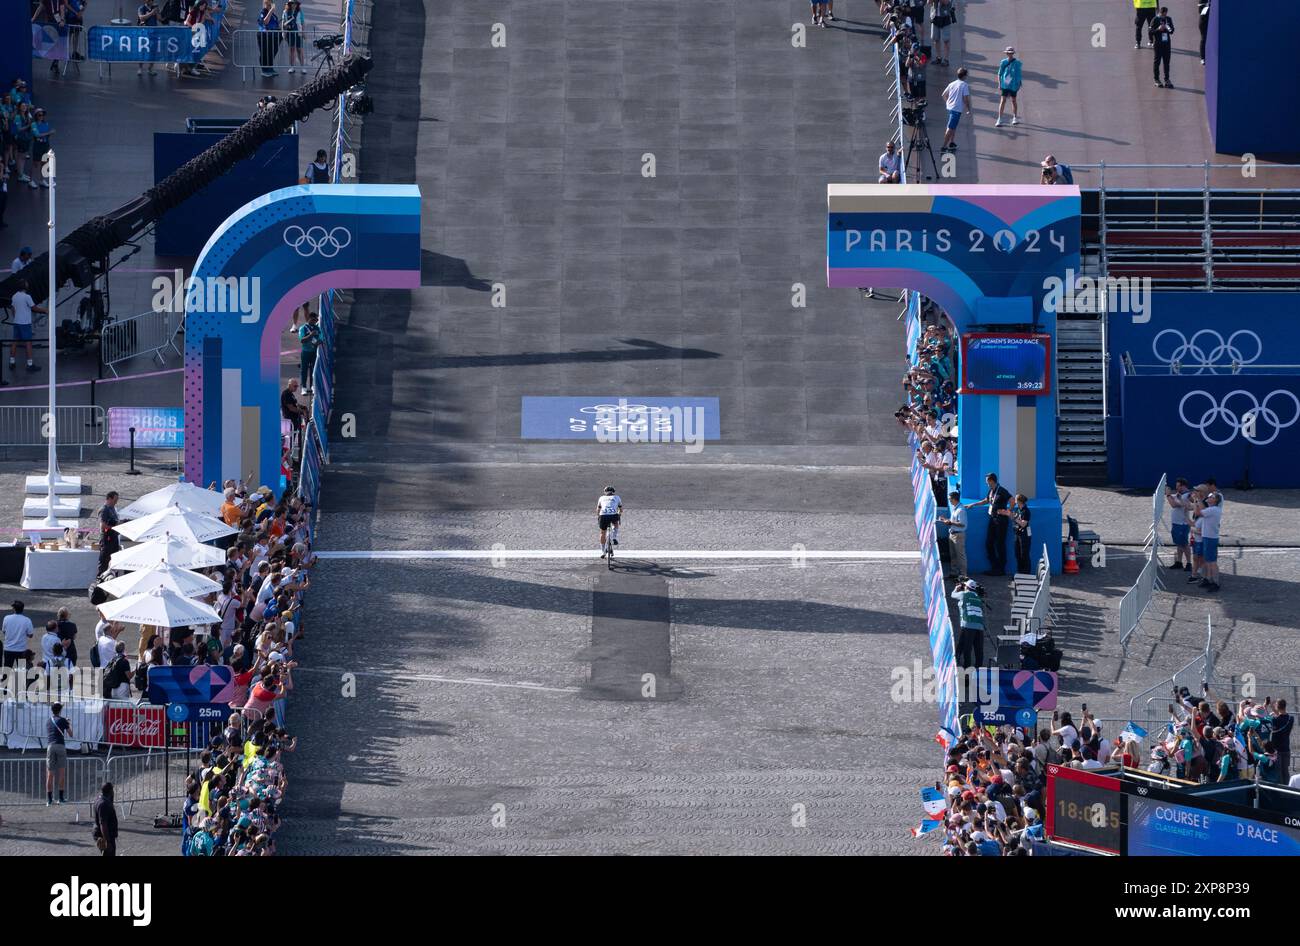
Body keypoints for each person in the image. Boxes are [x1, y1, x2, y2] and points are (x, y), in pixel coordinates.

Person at [967, 472, 1012, 576]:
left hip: (1001, 521)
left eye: (987, 481)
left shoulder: (1002, 490)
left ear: (992, 480)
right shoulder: (991, 491)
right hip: (992, 519)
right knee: (989, 543)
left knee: (1000, 544)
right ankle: (995, 566)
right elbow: (986, 501)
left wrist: (1007, 511)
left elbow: (1012, 500)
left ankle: (1001, 569)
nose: (986, 483)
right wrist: (973, 504)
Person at [8, 279, 46, 373]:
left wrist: (16, 317)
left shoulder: (14, 296)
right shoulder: (27, 297)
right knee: (28, 343)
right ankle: (30, 364)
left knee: (15, 342)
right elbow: (34, 308)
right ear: (25, 286)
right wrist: (45, 310)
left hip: (17, 322)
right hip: (25, 324)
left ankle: (12, 362)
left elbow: (12, 308)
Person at [950, 579, 985, 670]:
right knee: (978, 649)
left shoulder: (963, 594)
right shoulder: (978, 597)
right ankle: (979, 668)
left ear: (966, 587)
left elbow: (952, 595)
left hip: (968, 624)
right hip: (980, 626)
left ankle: (967, 669)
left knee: (967, 648)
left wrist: (956, 588)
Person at [1191, 489, 1222, 592]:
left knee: (1211, 561)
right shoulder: (1212, 509)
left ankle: (1215, 583)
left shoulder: (1212, 510)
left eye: (1211, 497)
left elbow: (1197, 512)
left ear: (1215, 500)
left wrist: (1196, 500)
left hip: (1210, 538)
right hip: (1208, 537)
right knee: (1208, 561)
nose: (1209, 498)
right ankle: (1208, 579)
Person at [1165, 477, 1193, 570]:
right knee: (1179, 544)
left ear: (1183, 486)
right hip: (1177, 523)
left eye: (1178, 486)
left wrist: (1168, 495)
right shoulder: (1180, 494)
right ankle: (1179, 562)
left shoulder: (1187, 495)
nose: (1176, 488)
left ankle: (1189, 563)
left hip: (1182, 524)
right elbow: (1175, 500)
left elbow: (1174, 505)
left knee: (1184, 544)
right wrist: (1170, 496)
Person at [46, 702, 72, 805]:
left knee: (50, 774)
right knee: (61, 773)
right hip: (60, 746)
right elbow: (71, 734)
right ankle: (60, 799)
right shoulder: (63, 720)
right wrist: (69, 723)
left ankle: (49, 800)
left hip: (50, 746)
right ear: (60, 710)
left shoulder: (48, 721)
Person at [940, 67, 970, 152]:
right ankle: (944, 146)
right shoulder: (964, 85)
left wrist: (948, 103)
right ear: (964, 76)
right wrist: (968, 108)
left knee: (953, 126)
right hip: (956, 110)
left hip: (951, 108)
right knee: (950, 128)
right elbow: (965, 98)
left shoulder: (952, 84)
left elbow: (944, 95)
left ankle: (952, 143)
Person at [939, 490, 967, 579]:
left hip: (958, 535)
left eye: (950, 499)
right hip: (953, 534)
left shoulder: (960, 510)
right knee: (953, 555)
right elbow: (954, 522)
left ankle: (963, 575)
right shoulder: (956, 508)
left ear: (955, 499)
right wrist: (945, 520)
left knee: (960, 556)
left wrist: (950, 522)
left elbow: (962, 524)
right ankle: (954, 573)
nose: (949, 501)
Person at [2, 600, 34, 668]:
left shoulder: (6, 618)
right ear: (23, 609)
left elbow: (4, 631)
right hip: (21, 650)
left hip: (8, 648)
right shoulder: (27, 620)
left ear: (14, 608)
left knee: (6, 669)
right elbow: (30, 635)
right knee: (21, 671)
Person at [995, 47, 1022, 126]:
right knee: (1003, 101)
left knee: (1013, 100)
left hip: (1013, 84)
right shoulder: (1003, 62)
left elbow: (1019, 74)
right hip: (1005, 84)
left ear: (1013, 53)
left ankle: (1015, 117)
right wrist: (999, 84)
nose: (1009, 54)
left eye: (1011, 53)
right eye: (1008, 53)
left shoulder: (1017, 63)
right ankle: (999, 119)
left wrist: (1019, 84)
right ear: (1006, 53)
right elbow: (999, 73)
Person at [97, 490, 121, 575]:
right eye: (115, 500)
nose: (116, 502)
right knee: (104, 563)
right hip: (107, 539)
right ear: (109, 499)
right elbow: (102, 526)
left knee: (114, 562)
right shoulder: (104, 510)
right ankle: (99, 583)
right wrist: (114, 527)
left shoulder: (113, 509)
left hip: (114, 539)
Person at [596, 485, 622, 558]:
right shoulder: (617, 497)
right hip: (613, 515)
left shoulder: (601, 498)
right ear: (613, 492)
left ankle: (603, 551)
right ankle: (614, 537)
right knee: (616, 524)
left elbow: (598, 510)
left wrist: (598, 516)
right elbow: (621, 509)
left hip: (603, 516)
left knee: (602, 533)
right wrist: (619, 515)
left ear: (605, 492)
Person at [1151, 7, 1174, 88]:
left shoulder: (1168, 19)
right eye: (1162, 15)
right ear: (1160, 13)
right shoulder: (1155, 19)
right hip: (1158, 44)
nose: (1164, 16)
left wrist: (1168, 28)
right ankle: (1156, 80)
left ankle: (1167, 80)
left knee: (1166, 62)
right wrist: (1158, 29)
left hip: (1166, 44)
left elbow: (1172, 31)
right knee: (1157, 62)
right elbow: (1150, 32)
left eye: (1165, 15)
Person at [257, 0, 281, 79]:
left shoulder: (273, 15)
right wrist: (270, 11)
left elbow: (275, 24)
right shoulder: (263, 12)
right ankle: (264, 70)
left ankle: (270, 68)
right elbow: (265, 22)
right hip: (264, 35)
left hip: (273, 36)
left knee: (272, 51)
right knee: (265, 52)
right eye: (268, 4)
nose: (270, 5)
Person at [93, 782, 119, 856]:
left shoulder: (99, 799)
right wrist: (107, 842)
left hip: (103, 834)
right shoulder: (104, 804)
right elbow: (103, 825)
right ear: (110, 791)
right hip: (105, 836)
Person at [298, 309, 320, 390]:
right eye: (313, 320)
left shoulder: (317, 328)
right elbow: (302, 340)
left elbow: (321, 339)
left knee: (313, 370)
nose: (314, 321)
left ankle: (312, 386)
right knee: (304, 370)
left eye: (316, 320)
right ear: (309, 319)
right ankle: (303, 387)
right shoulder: (302, 328)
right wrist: (311, 335)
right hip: (305, 352)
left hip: (314, 352)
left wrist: (317, 342)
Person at [1010, 493, 1032, 575]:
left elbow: (1023, 524)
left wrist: (1014, 517)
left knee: (1024, 554)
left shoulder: (1026, 511)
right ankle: (1020, 572)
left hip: (1024, 535)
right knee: (1017, 554)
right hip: (1017, 534)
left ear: (1019, 501)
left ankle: (1026, 573)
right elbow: (1014, 518)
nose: (1014, 500)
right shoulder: (1018, 509)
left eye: (1016, 499)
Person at [137, 1, 161, 75]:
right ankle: (140, 68)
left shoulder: (155, 8)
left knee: (153, 51)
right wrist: (151, 13)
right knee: (142, 50)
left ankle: (150, 68)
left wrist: (156, 12)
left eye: (151, 0)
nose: (151, 2)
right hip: (144, 32)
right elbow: (141, 18)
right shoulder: (142, 8)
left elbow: (160, 19)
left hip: (153, 32)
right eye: (149, 0)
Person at [929, 0, 955, 66]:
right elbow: (928, 2)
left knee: (946, 40)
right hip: (935, 17)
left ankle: (946, 60)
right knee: (935, 38)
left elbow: (946, 2)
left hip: (945, 17)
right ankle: (938, 57)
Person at [282, 0, 305, 74]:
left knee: (299, 49)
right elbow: (283, 23)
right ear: (289, 4)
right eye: (292, 3)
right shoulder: (285, 12)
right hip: (290, 33)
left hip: (298, 33)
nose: (293, 4)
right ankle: (292, 67)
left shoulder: (299, 12)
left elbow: (302, 22)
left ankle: (302, 67)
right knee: (292, 49)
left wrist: (303, 32)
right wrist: (283, 33)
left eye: (295, 3)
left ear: (297, 4)